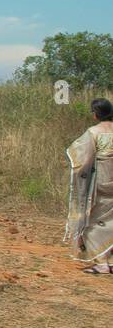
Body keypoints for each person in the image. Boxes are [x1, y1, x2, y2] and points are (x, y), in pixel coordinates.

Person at [66, 98, 113, 273]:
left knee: (93, 219)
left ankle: (101, 262)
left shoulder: (93, 132)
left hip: (101, 179)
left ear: (95, 114)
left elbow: (83, 159)